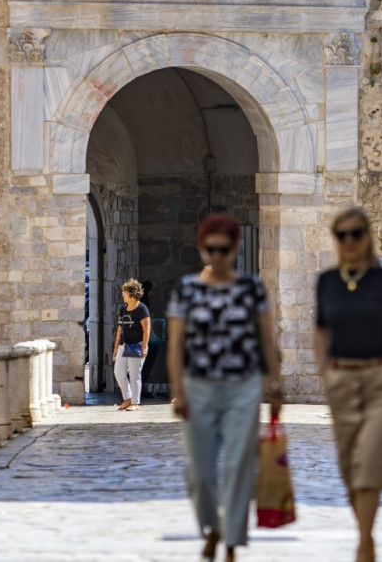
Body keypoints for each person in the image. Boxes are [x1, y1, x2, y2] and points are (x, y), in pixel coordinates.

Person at [168, 214, 284, 562]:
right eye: (210, 249)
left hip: (242, 387)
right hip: (199, 384)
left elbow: (266, 341)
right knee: (199, 470)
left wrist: (275, 384)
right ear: (202, 248)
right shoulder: (186, 289)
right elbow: (175, 346)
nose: (217, 256)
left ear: (235, 248)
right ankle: (212, 526)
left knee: (238, 465)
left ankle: (232, 539)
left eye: (224, 249)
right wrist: (179, 390)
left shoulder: (251, 289)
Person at [316, 207, 382, 562]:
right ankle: (365, 532)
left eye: (356, 234)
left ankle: (365, 540)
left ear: (367, 237)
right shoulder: (328, 282)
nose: (349, 241)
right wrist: (325, 372)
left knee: (372, 458)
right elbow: (321, 331)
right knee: (350, 462)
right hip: (342, 378)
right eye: (342, 235)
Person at [113, 277, 151, 411]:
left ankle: (135, 402)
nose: (122, 294)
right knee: (118, 372)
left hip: (137, 345)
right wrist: (116, 347)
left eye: (125, 292)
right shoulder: (123, 308)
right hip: (124, 345)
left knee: (135, 375)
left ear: (132, 294)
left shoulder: (142, 309)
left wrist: (144, 346)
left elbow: (147, 329)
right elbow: (119, 328)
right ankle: (128, 398)